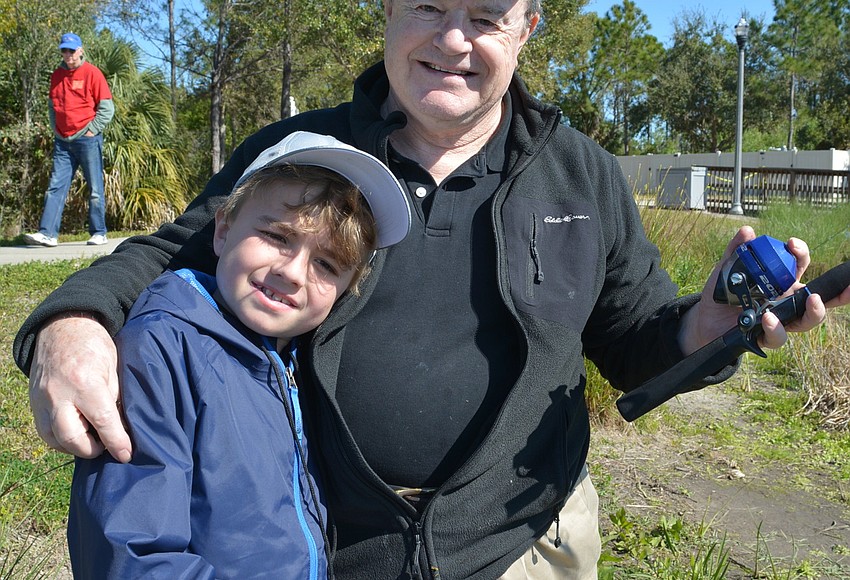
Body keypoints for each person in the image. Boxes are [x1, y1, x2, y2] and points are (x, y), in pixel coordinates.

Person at [13, 1, 850, 578]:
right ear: (386, 12)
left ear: (526, 30)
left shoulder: (582, 173)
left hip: (528, 547)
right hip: (329, 548)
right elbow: (169, 253)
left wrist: (711, 320)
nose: (453, 39)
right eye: (427, 7)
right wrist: (71, 323)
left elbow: (638, 341)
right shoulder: (302, 153)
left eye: (485, 16)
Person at [67, 131, 412, 578]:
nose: (292, 272)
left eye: (327, 264)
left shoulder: (293, 360)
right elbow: (133, 554)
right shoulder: (160, 352)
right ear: (224, 228)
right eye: (277, 236)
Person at [24, 32, 114, 248]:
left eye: (72, 50)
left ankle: (99, 232)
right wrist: (55, 129)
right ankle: (48, 234)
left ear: (80, 50)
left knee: (94, 188)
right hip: (63, 141)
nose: (68, 54)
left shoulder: (92, 73)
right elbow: (52, 105)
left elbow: (107, 108)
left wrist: (91, 130)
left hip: (87, 139)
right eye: (64, 50)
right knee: (55, 187)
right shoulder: (57, 75)